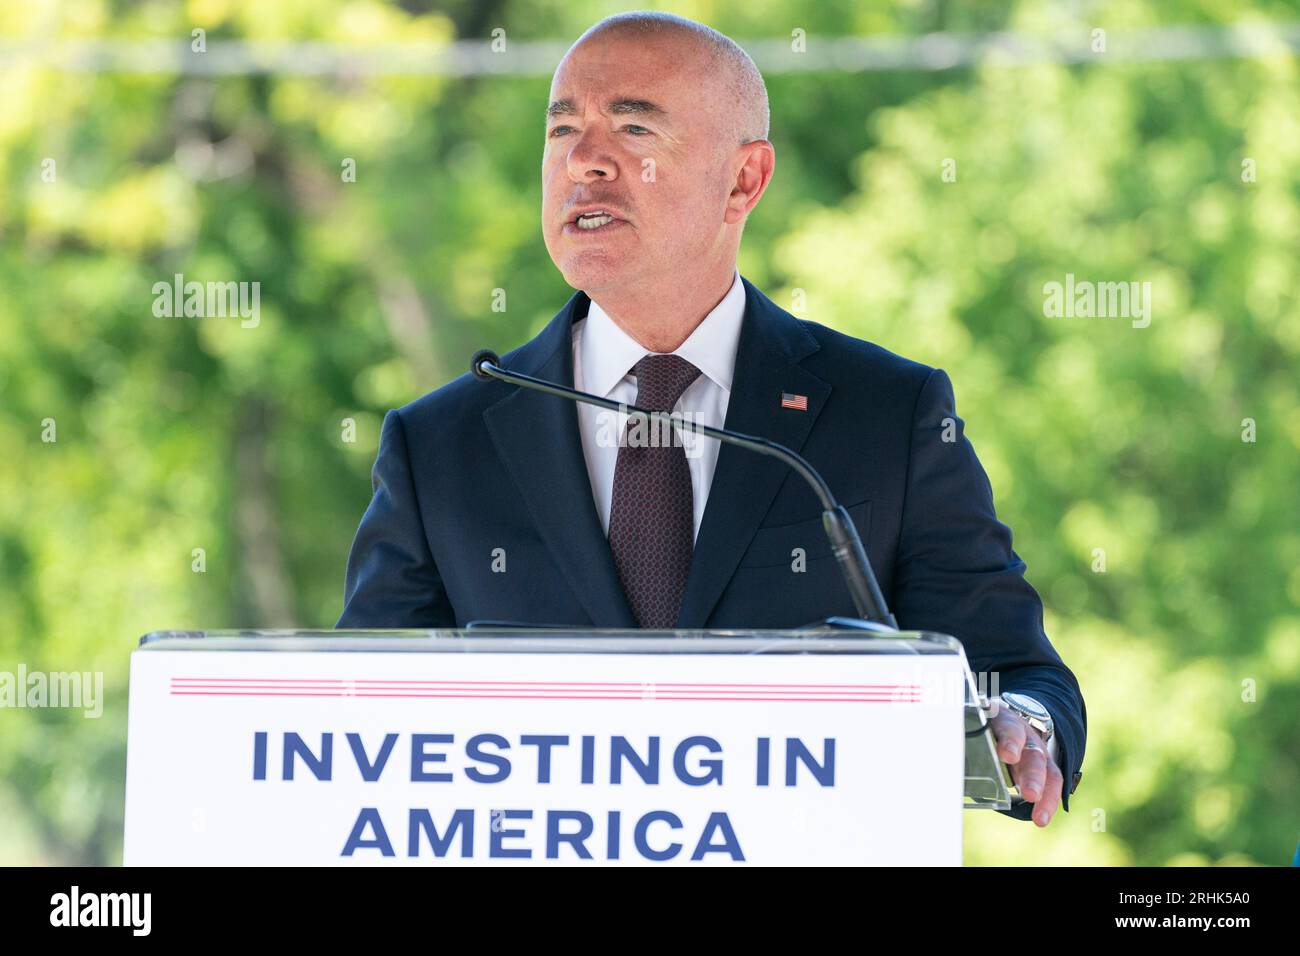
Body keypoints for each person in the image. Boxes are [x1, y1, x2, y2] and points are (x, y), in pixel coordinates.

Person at [338, 11, 1085, 826]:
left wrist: (1025, 730)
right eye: (563, 130)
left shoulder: (887, 414)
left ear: (744, 181)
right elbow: (355, 716)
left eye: (631, 125)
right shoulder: (440, 444)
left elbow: (1015, 674)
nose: (584, 160)